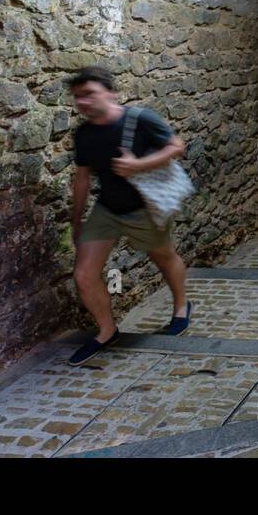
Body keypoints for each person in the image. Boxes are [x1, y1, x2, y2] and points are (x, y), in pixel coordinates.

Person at [65, 66, 193, 366]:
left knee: (163, 257)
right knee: (84, 274)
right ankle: (107, 330)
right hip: (107, 209)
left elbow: (177, 146)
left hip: (144, 208)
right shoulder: (83, 133)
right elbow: (82, 177)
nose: (82, 102)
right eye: (77, 97)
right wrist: (76, 219)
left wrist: (139, 165)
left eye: (89, 94)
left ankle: (181, 306)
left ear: (110, 93)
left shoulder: (140, 119)